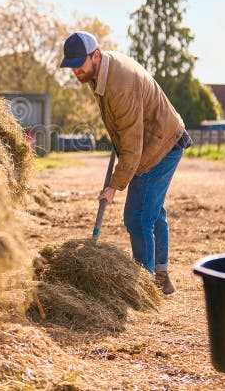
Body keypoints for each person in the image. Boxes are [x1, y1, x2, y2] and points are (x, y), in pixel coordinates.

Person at [60, 31, 191, 295]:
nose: (75, 70)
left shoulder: (120, 83)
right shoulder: (100, 72)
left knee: (138, 216)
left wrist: (114, 186)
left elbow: (133, 147)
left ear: (95, 55)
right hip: (155, 140)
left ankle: (144, 287)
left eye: (79, 63)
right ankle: (161, 278)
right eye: (71, 65)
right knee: (152, 212)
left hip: (161, 145)